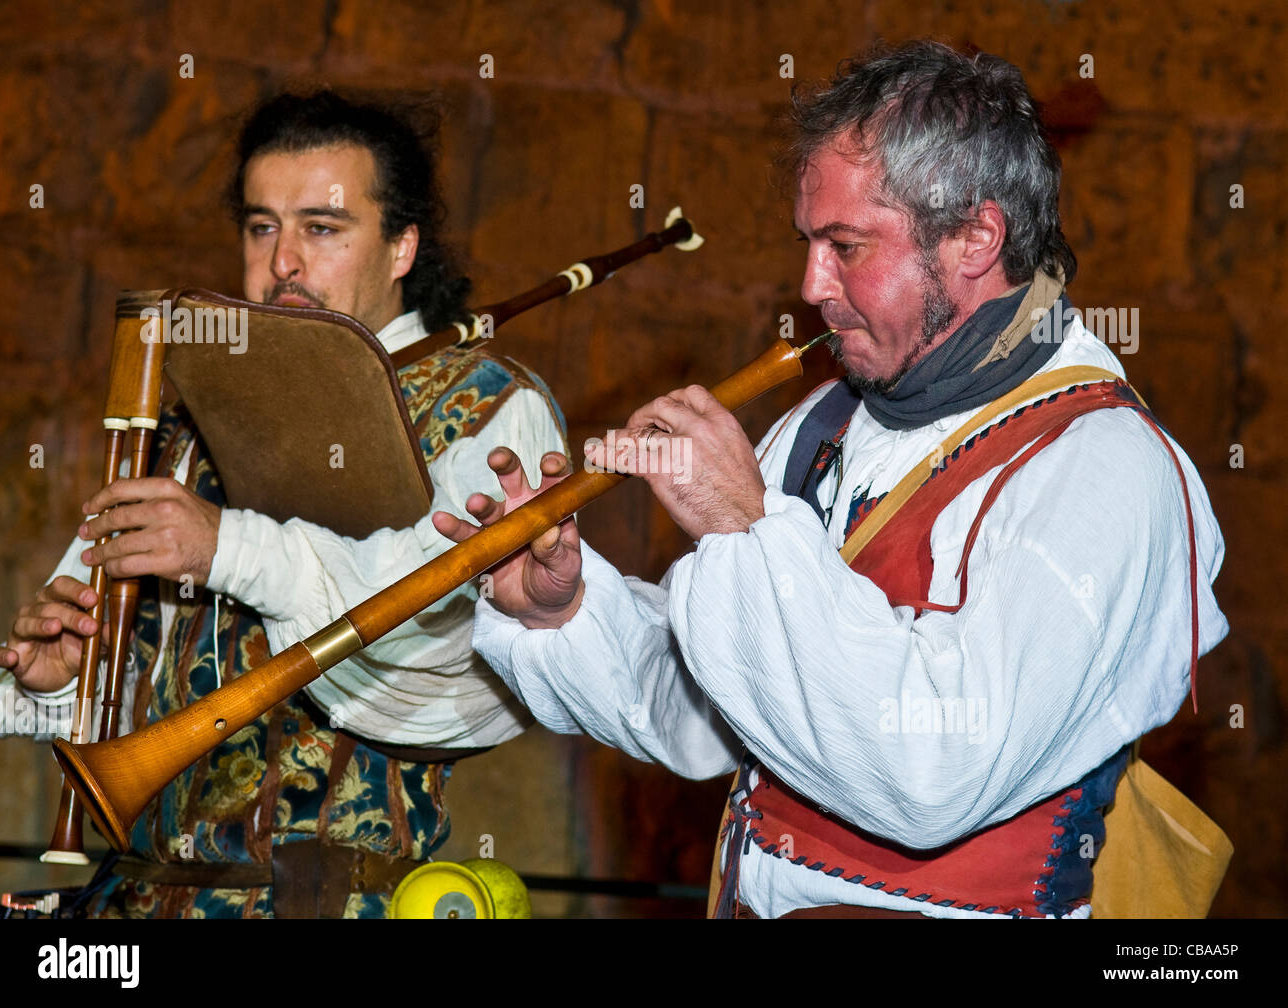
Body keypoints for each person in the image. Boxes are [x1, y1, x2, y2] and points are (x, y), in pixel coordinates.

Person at [436, 41, 1229, 918]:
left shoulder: (1101, 467)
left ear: (975, 237)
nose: (813, 285)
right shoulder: (819, 430)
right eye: (808, 244)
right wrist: (565, 613)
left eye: (846, 246)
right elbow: (702, 715)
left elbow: (933, 774)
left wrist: (747, 532)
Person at [0, 90, 567, 918]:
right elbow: (97, 688)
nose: (283, 262)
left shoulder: (489, 409)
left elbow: (439, 655)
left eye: (321, 228)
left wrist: (227, 547)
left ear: (402, 246)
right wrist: (54, 686)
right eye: (262, 227)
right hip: (130, 903)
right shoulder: (185, 424)